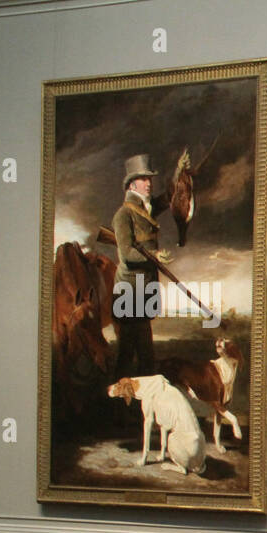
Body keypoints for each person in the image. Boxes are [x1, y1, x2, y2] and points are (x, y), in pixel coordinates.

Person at [111, 154, 173, 377]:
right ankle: (118, 402)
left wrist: (181, 173)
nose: (149, 183)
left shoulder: (145, 209)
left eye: (150, 179)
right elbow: (127, 254)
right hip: (129, 292)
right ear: (131, 185)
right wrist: (156, 256)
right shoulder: (123, 215)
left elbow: (169, 197)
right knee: (130, 355)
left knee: (143, 354)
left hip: (143, 290)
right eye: (143, 179)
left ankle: (136, 402)